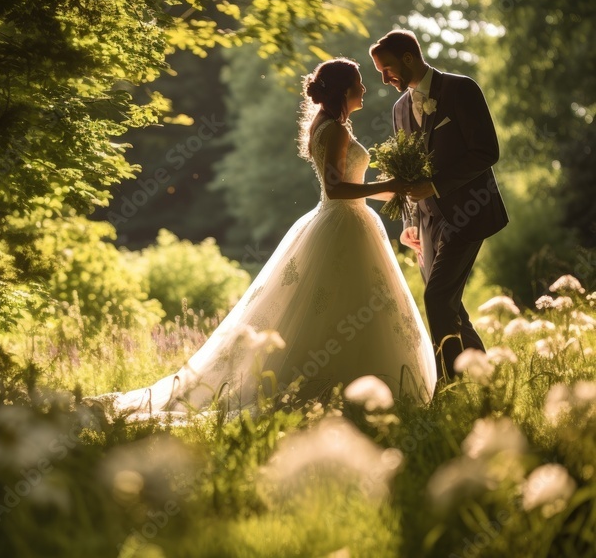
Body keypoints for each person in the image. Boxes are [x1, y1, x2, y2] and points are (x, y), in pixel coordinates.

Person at [102, 58, 437, 421]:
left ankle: (347, 385)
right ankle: (338, 387)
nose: (365, 89)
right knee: (347, 305)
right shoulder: (336, 131)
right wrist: (390, 185)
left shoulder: (326, 126)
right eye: (358, 83)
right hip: (343, 223)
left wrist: (401, 191)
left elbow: (352, 188)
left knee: (340, 307)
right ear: (344, 89)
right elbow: (337, 188)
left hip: (345, 218)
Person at [369, 30, 508, 383]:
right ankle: (486, 377)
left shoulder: (462, 89)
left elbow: (487, 152)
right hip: (427, 222)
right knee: (450, 304)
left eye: (387, 70)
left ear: (409, 58)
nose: (384, 79)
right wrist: (409, 222)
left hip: (469, 212)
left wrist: (434, 185)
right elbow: (408, 169)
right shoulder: (400, 109)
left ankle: (450, 387)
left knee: (435, 297)